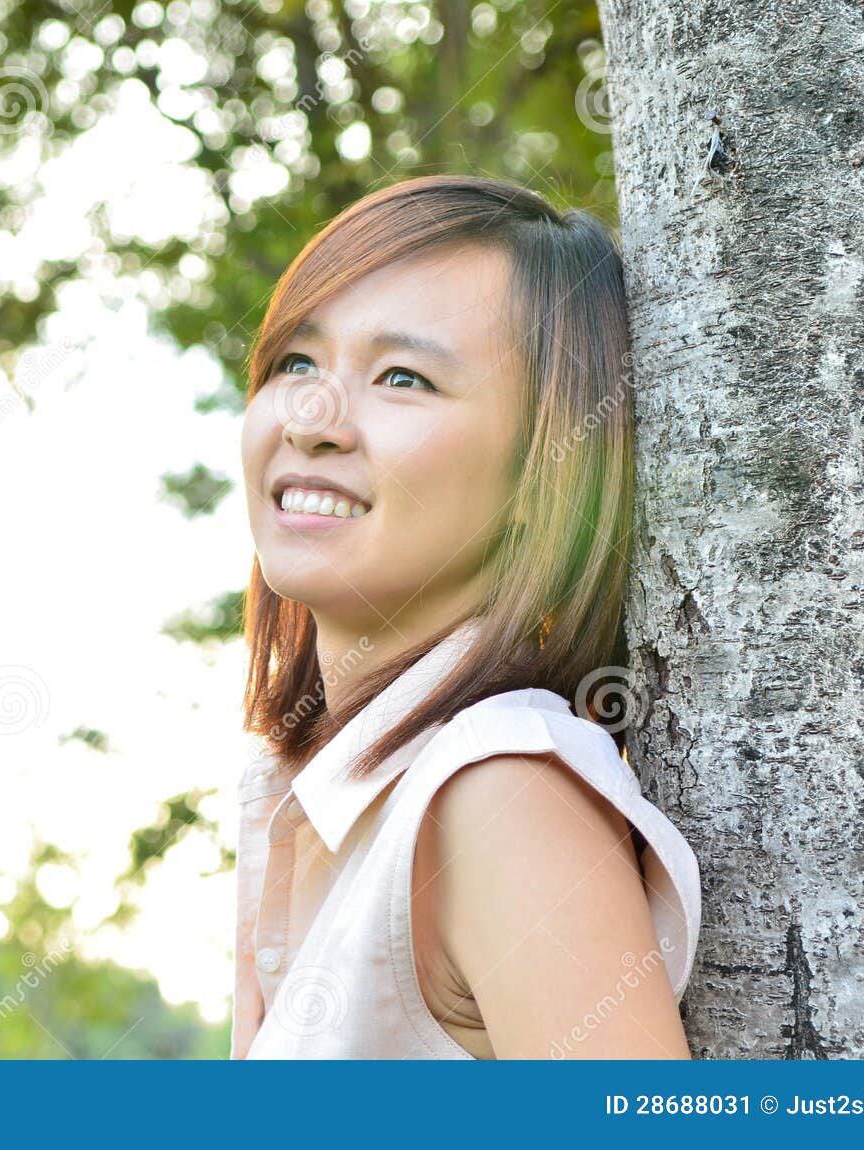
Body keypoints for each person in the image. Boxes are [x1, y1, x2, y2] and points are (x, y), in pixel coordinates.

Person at [234, 174, 701, 1059]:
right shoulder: (298, 788)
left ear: (545, 475)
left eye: (402, 378)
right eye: (296, 361)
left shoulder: (500, 793)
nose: (312, 419)